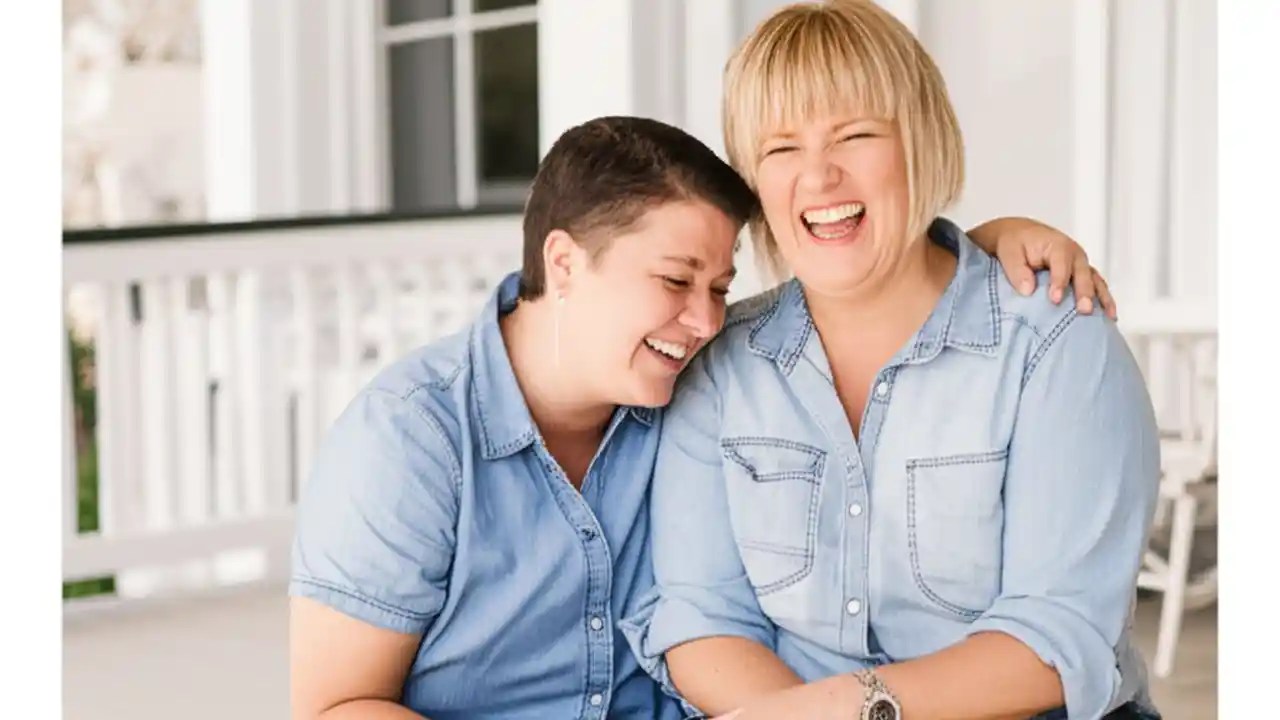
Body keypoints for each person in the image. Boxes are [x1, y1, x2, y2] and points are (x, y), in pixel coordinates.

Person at [289, 115, 1117, 719]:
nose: (706, 320)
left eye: (719, 288)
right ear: (565, 263)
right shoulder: (408, 439)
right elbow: (337, 706)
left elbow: (877, 289)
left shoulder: (690, 388)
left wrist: (989, 239)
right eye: (676, 280)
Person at [620, 3, 1160, 720]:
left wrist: (855, 708)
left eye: (855, 135)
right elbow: (700, 620)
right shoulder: (721, 370)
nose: (818, 176)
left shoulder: (1055, 343)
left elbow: (1059, 635)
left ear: (921, 141)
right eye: (781, 149)